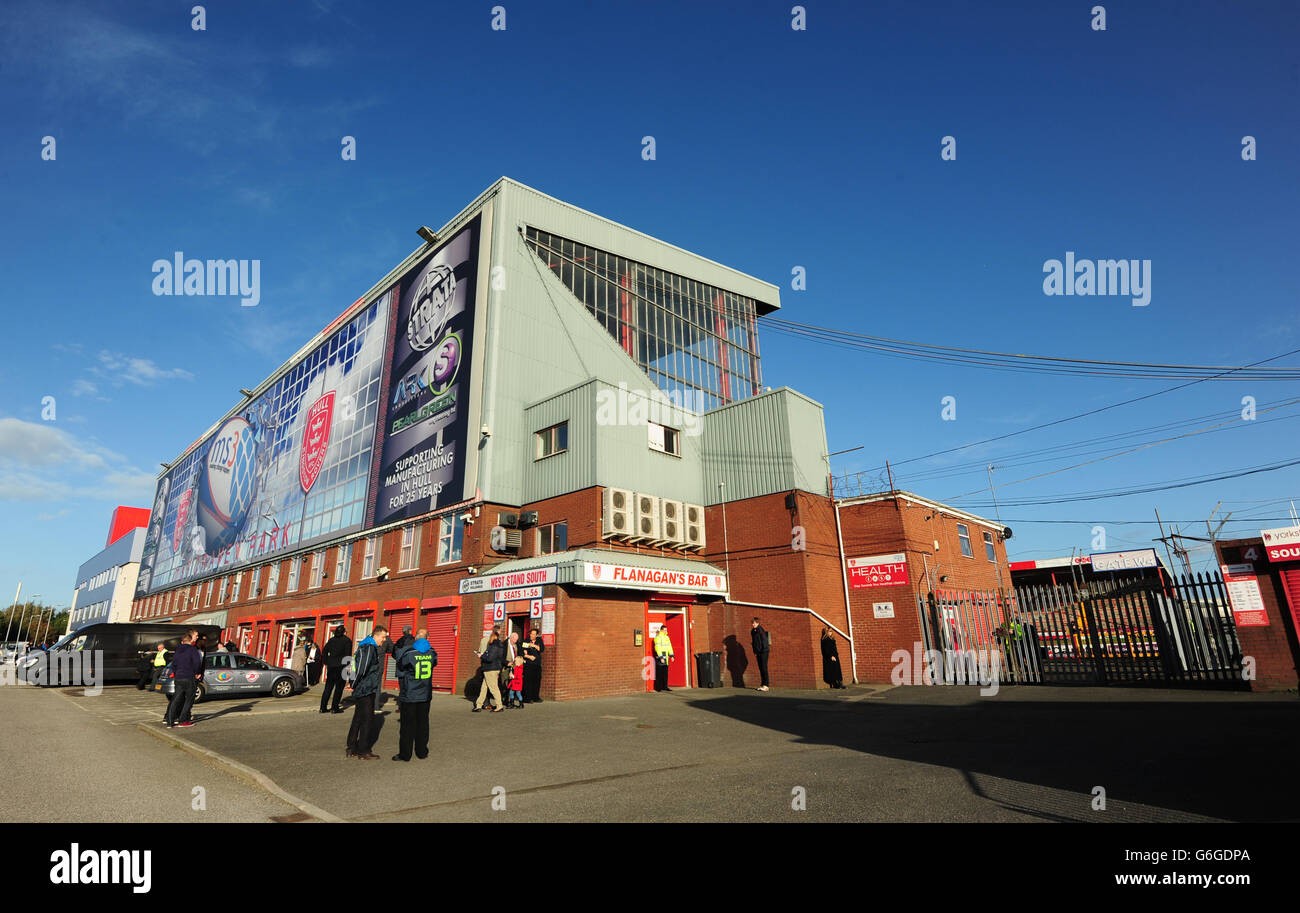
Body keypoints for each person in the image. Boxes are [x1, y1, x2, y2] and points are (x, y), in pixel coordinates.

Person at [392, 634, 437, 761]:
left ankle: (405, 754)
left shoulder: (409, 653)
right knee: (423, 724)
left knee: (407, 726)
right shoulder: (432, 652)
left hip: (410, 694)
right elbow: (434, 664)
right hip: (425, 694)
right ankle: (422, 751)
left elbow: (401, 666)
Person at [346, 625, 387, 759]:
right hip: (366, 689)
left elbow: (355, 666)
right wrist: (353, 684)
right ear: (375, 636)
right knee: (367, 720)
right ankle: (363, 751)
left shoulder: (363, 647)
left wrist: (352, 682)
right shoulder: (369, 648)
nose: (384, 640)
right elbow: (361, 669)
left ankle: (351, 747)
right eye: (383, 637)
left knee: (358, 718)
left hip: (363, 687)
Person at [164, 630, 203, 728]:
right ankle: (183, 720)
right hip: (189, 676)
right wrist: (197, 672)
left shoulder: (178, 650)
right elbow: (197, 662)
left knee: (176, 699)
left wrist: (177, 673)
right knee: (189, 700)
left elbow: (174, 664)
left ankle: (169, 721)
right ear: (190, 640)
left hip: (179, 677)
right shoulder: (192, 650)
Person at [320, 625, 351, 713]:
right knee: (339, 688)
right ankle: (334, 708)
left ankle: (323, 707)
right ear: (344, 632)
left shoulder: (331, 640)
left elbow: (325, 651)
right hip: (341, 667)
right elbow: (348, 655)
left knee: (328, 687)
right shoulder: (347, 641)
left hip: (331, 667)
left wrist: (326, 662)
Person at [473, 630, 506, 713]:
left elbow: (490, 658)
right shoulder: (500, 645)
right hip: (494, 668)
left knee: (493, 688)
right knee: (484, 688)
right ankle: (479, 705)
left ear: (492, 637)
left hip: (490, 669)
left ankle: (499, 705)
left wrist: (481, 656)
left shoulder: (493, 646)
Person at [521, 627, 545, 703]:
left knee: (537, 681)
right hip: (529, 664)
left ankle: (536, 697)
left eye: (534, 634)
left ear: (537, 635)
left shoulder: (539, 641)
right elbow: (523, 652)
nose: (532, 635)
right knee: (528, 681)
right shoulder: (526, 641)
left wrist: (533, 645)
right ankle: (528, 698)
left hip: (537, 664)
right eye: (531, 634)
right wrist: (529, 656)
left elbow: (541, 649)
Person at [750, 618, 771, 691]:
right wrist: (755, 652)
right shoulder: (753, 631)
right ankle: (762, 685)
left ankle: (766, 685)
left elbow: (764, 641)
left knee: (764, 668)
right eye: (752, 623)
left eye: (754, 623)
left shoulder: (760, 630)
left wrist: (763, 650)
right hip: (758, 652)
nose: (753, 624)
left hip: (764, 651)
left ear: (758, 623)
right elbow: (754, 642)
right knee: (760, 668)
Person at [653, 625, 674, 692]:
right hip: (661, 656)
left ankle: (665, 687)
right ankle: (658, 688)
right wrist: (661, 657)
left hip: (666, 657)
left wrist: (671, 655)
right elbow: (657, 648)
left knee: (665, 673)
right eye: (665, 630)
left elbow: (669, 647)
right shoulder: (658, 638)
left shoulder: (667, 637)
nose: (666, 631)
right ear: (661, 630)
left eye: (666, 630)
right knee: (659, 673)